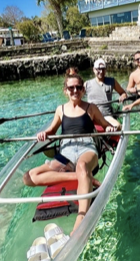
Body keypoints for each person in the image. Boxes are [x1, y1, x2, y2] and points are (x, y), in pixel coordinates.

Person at [23, 74, 121, 233]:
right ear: (65, 91)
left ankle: (81, 217)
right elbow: (52, 130)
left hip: (87, 148)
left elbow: (105, 125)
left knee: (82, 165)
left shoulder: (91, 108)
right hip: (66, 151)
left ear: (83, 90)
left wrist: (110, 128)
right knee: (28, 177)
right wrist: (44, 133)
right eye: (71, 88)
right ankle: (82, 177)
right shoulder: (60, 110)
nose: (75, 90)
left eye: (78, 87)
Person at [85, 58, 127, 127]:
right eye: (98, 69)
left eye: (103, 69)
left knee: (119, 126)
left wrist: (123, 96)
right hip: (92, 115)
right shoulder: (87, 84)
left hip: (106, 115)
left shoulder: (112, 81)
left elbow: (123, 92)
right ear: (93, 69)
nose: (101, 72)